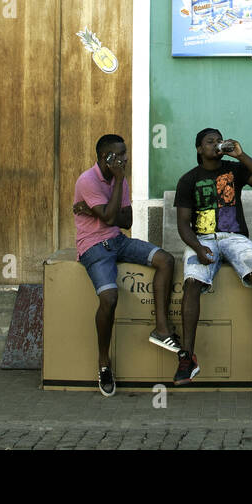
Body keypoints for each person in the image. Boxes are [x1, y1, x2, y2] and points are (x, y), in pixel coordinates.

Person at [173, 129, 252, 385]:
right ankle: (187, 357)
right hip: (201, 240)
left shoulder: (234, 170)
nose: (215, 144)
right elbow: (182, 224)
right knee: (191, 284)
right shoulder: (188, 179)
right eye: (209, 142)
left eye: (218, 140)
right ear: (199, 149)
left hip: (234, 237)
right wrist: (198, 248)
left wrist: (241, 155)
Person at [72, 133, 178, 397]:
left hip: (118, 241)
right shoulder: (87, 180)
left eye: (125, 153)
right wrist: (112, 198)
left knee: (165, 259)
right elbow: (109, 217)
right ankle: (104, 363)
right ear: (105, 158)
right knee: (109, 297)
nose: (125, 159)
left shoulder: (121, 180)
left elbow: (126, 221)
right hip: (93, 246)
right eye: (119, 155)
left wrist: (97, 209)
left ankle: (161, 329)